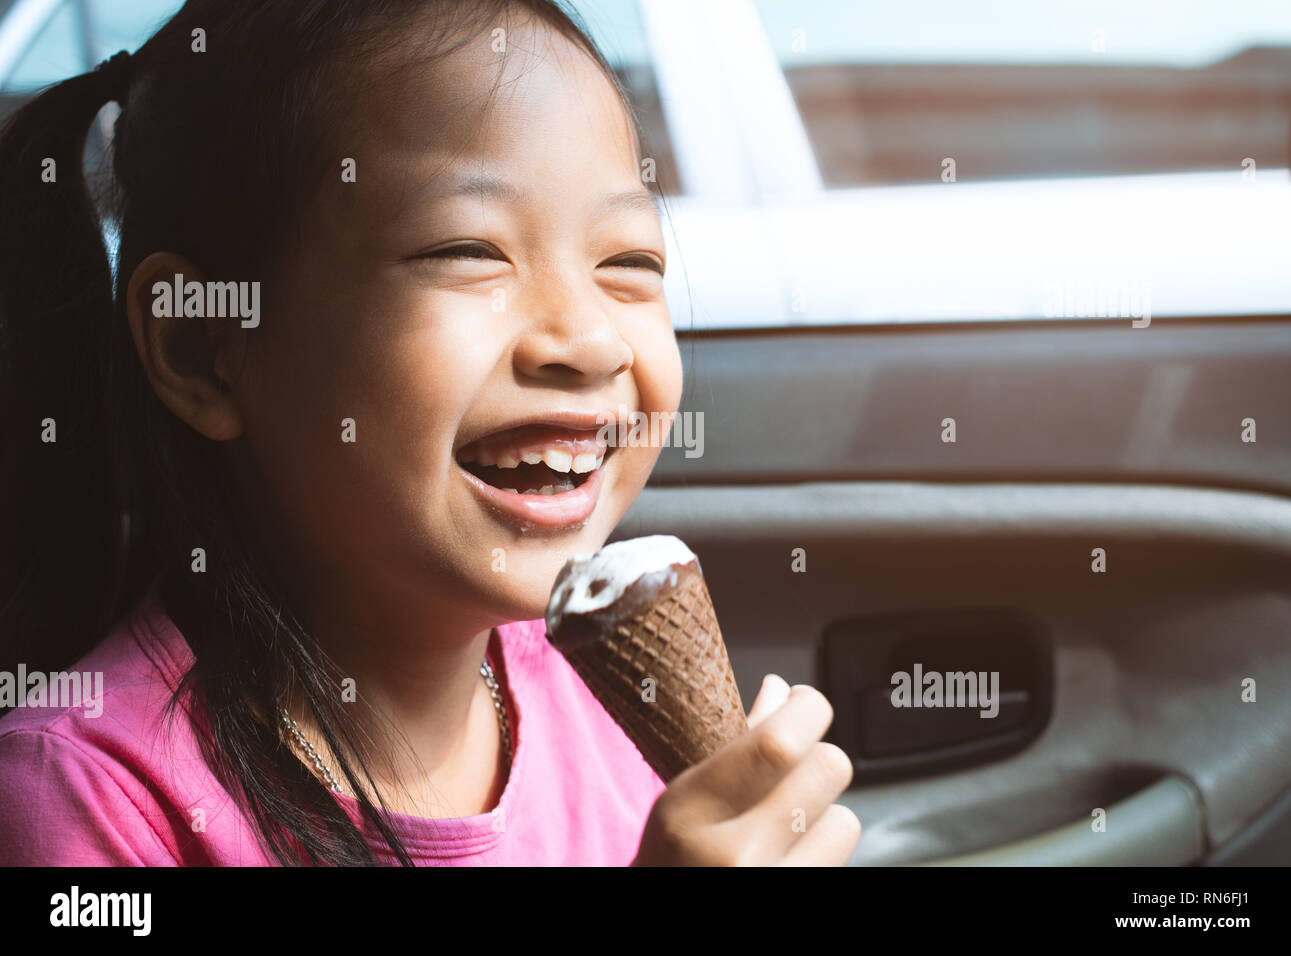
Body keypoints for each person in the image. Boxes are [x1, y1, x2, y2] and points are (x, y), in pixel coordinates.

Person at [0, 0, 861, 866]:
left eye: (628, 262)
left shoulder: (601, 688)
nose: (591, 340)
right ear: (206, 347)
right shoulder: (81, 795)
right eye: (467, 251)